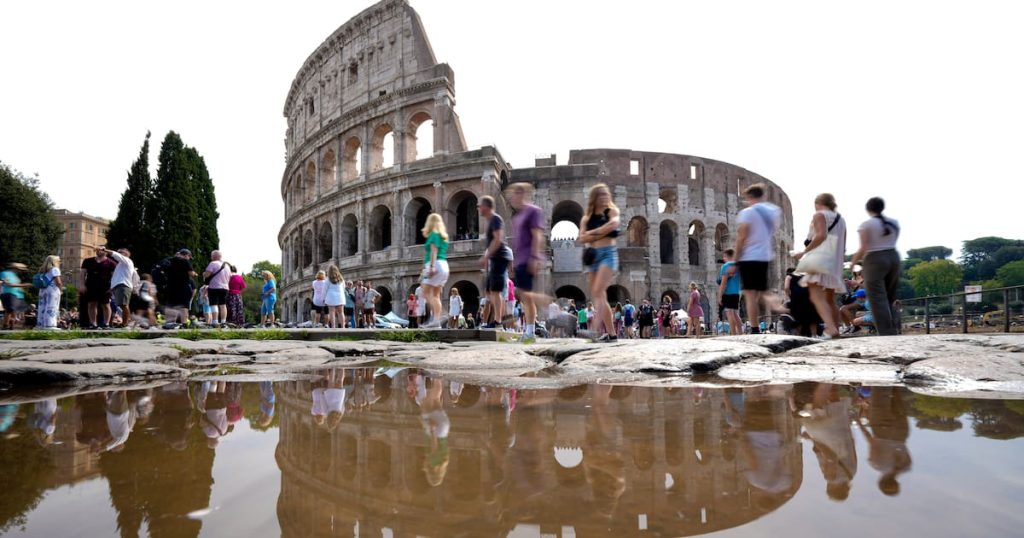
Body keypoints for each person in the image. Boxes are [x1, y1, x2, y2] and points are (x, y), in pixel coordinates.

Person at [792, 193, 847, 339]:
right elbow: (843, 245)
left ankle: (830, 329)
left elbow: (821, 236)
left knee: (815, 294)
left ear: (818, 203)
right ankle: (836, 329)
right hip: (835, 258)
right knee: (829, 298)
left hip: (820, 255)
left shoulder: (819, 215)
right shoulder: (841, 219)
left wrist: (804, 251)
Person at [734, 183, 783, 334]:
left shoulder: (747, 213)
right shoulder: (774, 211)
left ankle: (755, 329)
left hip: (749, 257)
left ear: (750, 197)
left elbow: (742, 237)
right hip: (765, 256)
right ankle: (782, 307)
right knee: (763, 291)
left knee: (750, 296)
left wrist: (736, 258)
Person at [850, 197, 901, 336]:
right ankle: (894, 328)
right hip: (894, 257)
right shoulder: (894, 223)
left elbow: (864, 247)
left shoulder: (866, 224)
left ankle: (886, 333)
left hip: (874, 258)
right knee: (890, 296)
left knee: (877, 298)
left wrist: (853, 262)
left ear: (868, 209)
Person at [578, 183, 621, 342]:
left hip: (608, 254)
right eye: (601, 194)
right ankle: (612, 334)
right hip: (593, 256)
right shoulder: (586, 218)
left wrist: (592, 234)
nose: (604, 197)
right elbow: (582, 238)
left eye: (606, 194)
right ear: (594, 198)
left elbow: (614, 224)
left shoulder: (612, 211)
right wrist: (603, 232)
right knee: (600, 296)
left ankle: (593, 330)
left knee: (597, 291)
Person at [507, 182, 546, 342]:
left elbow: (537, 234)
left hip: (529, 257)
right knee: (524, 297)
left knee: (526, 297)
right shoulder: (517, 216)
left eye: (513, 195)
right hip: (520, 259)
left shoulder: (533, 211)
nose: (511, 199)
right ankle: (529, 331)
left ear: (521, 194)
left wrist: (535, 257)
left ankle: (530, 332)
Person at [477, 195, 512, 328]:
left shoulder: (496, 219)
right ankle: (499, 318)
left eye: (479, 205)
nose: (478, 208)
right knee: (490, 291)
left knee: (495, 291)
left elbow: (498, 239)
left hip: (499, 257)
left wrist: (486, 256)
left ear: (486, 206)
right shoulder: (491, 221)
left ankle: (498, 321)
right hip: (495, 258)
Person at [420, 213, 450, 328]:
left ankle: (441, 315)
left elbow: (433, 251)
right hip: (444, 265)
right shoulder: (443, 237)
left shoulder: (433, 234)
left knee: (425, 292)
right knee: (436, 295)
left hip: (435, 264)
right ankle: (436, 321)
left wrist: (431, 267)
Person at [81, 246, 117, 329]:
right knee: (91, 304)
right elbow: (82, 273)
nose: (99, 251)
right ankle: (93, 324)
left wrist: (112, 287)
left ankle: (106, 324)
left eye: (101, 250)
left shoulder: (111, 263)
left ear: (106, 251)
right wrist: (82, 285)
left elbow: (114, 276)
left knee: (106, 305)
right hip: (90, 285)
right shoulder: (88, 261)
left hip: (105, 287)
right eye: (97, 249)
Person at [163, 249, 197, 325]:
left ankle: (170, 323)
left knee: (171, 304)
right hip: (183, 286)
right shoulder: (185, 261)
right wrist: (195, 274)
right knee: (184, 306)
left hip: (170, 286)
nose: (189, 259)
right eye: (189, 257)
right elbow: (191, 273)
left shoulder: (169, 260)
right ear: (186, 255)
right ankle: (184, 324)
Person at [105, 248, 137, 328]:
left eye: (120, 252)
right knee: (122, 305)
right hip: (119, 286)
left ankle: (125, 324)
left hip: (123, 285)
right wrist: (111, 288)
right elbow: (117, 277)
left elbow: (116, 255)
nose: (117, 253)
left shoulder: (127, 261)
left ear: (125, 254)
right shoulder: (120, 265)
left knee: (124, 305)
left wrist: (105, 250)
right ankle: (125, 323)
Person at [202, 250, 232, 327]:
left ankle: (215, 321)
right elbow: (230, 277)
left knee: (214, 304)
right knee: (223, 305)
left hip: (214, 287)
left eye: (211, 256)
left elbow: (207, 275)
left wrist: (204, 274)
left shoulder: (213, 263)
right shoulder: (227, 266)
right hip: (225, 287)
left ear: (214, 256)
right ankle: (223, 322)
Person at [718, 248, 743, 335]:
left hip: (728, 292)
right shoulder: (738, 266)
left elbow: (723, 283)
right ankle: (740, 333)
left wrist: (720, 295)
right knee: (736, 314)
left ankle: (733, 334)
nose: (723, 258)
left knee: (729, 313)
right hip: (737, 292)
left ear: (726, 256)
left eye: (724, 256)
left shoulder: (725, 266)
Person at [36, 255, 63, 329]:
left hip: (42, 289)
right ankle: (50, 324)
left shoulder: (42, 269)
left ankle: (40, 324)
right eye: (59, 260)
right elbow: (58, 282)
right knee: (52, 306)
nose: (60, 262)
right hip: (52, 290)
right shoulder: (55, 269)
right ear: (54, 261)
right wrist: (61, 290)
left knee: (42, 307)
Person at [1, 263, 31, 330]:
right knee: (9, 310)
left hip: (17, 295)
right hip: (8, 293)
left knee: (14, 310)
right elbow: (9, 284)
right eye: (20, 270)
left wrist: (22, 290)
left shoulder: (15, 276)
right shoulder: (5, 273)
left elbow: (17, 286)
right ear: (15, 268)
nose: (20, 271)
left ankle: (11, 325)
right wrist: (24, 285)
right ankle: (5, 325)